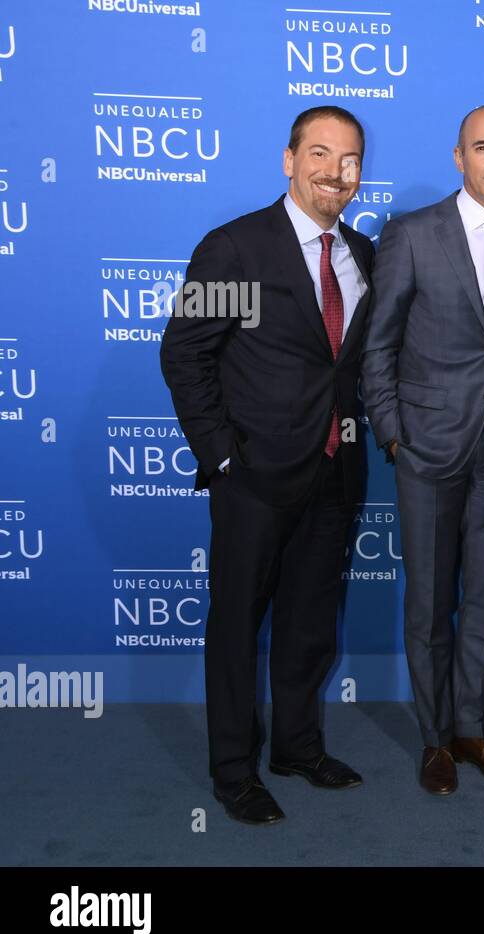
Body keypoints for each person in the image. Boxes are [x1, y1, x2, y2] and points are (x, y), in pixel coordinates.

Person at [160, 105, 374, 825]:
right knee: (236, 626)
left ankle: (298, 747)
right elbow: (184, 352)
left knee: (311, 623)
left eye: (347, 161)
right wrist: (221, 456)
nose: (333, 172)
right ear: (288, 160)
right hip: (253, 475)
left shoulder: (361, 255)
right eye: (318, 154)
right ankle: (232, 771)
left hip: (334, 472)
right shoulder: (238, 249)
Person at [361, 106, 484, 796]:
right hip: (428, 449)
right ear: (458, 158)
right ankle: (433, 739)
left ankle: (474, 729)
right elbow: (378, 344)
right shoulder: (413, 234)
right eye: (483, 148)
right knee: (428, 602)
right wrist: (392, 433)